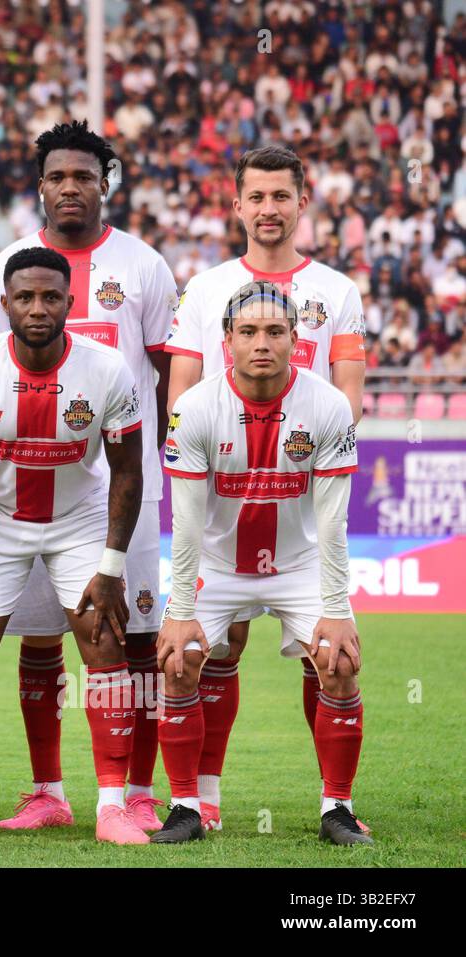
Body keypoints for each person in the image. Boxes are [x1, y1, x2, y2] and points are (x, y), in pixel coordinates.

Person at [0, 120, 178, 832]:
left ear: (104, 183)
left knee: (137, 635)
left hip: (125, 489)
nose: (70, 188)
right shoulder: (10, 263)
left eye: (83, 177)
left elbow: (166, 378)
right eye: (57, 177)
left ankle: (139, 790)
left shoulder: (144, 265)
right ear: (40, 188)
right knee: (39, 638)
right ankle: (46, 790)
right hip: (24, 491)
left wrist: (167, 461)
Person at [164, 144, 367, 832]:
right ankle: (199, 800)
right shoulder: (204, 288)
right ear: (238, 204)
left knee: (336, 659)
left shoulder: (337, 292)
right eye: (258, 196)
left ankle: (336, 806)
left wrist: (293, 447)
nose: (270, 208)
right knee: (198, 654)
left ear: (302, 201)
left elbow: (346, 401)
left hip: (300, 530)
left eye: (283, 195)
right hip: (221, 522)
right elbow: (182, 395)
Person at [0, 246, 147, 846]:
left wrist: (111, 566)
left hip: (78, 516)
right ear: (5, 304)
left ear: (71, 302)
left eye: (51, 296)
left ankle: (110, 806)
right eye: (25, 297)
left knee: (103, 640)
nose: (38, 308)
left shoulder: (107, 370)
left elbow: (128, 472)